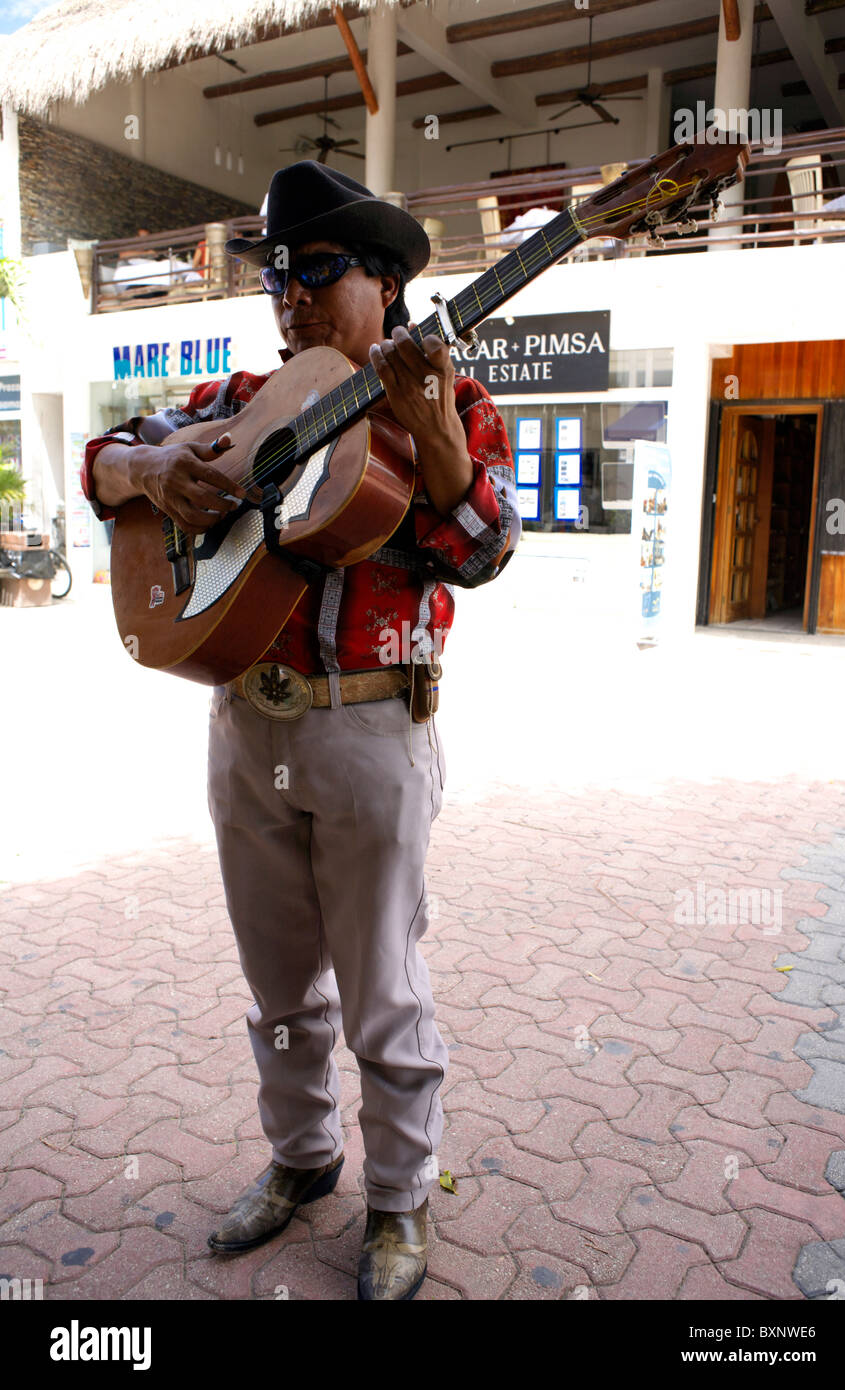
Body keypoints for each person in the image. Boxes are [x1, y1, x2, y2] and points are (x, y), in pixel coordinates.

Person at [79, 161, 520, 1301]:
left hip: (373, 732)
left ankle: (399, 1202)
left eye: (320, 270)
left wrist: (430, 439)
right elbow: (103, 460)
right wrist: (151, 466)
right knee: (278, 991)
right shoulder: (242, 401)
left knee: (384, 989)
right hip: (245, 728)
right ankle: (301, 1160)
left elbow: (479, 548)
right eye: (279, 273)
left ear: (387, 284)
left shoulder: (455, 402)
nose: (293, 295)